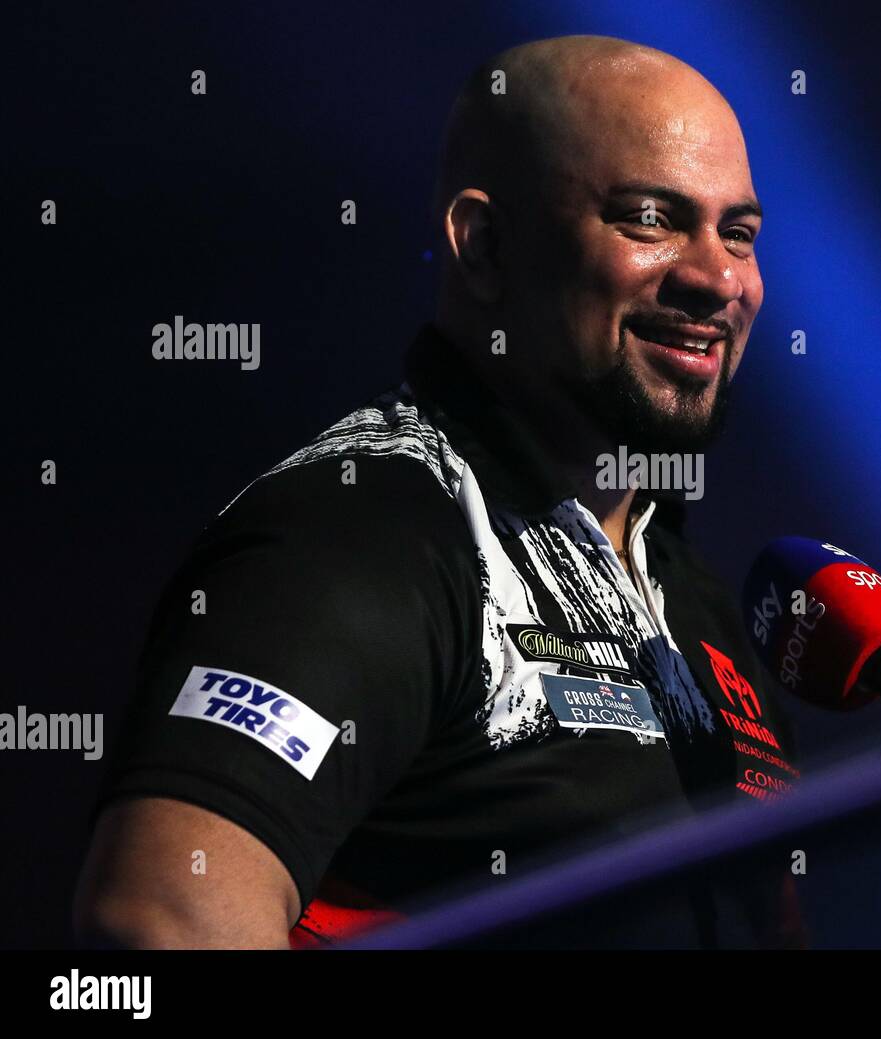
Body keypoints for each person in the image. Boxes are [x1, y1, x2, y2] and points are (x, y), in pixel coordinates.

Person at [75, 34, 805, 949]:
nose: (715, 279)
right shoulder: (358, 533)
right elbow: (157, 924)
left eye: (737, 233)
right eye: (650, 218)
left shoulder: (692, 597)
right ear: (484, 245)